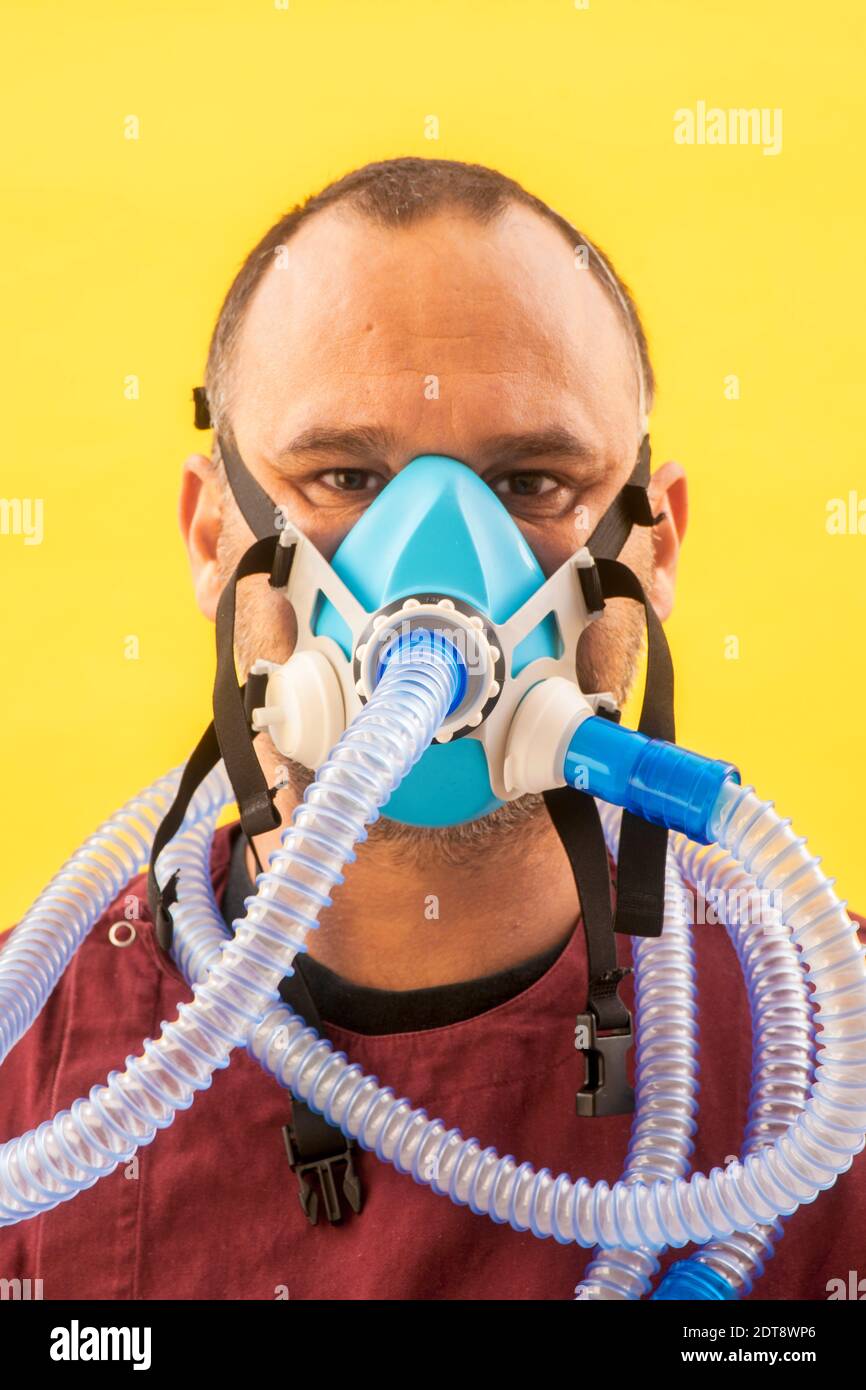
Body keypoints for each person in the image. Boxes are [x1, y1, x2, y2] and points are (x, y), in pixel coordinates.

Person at [1, 157, 863, 1301]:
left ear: (652, 547)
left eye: (534, 480)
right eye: (345, 474)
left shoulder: (823, 1062)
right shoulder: (32, 1075)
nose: (441, 574)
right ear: (215, 537)